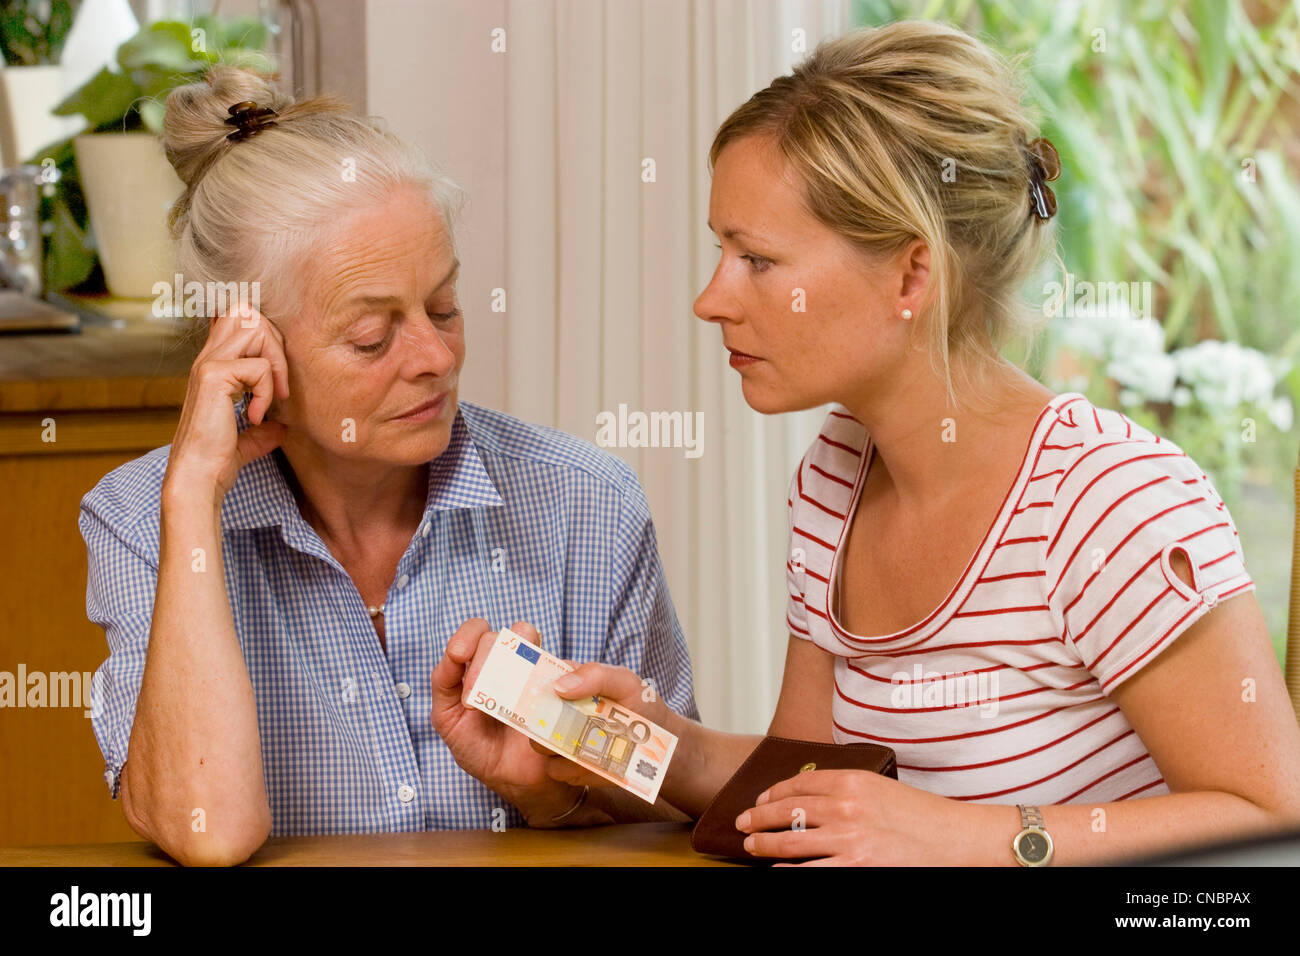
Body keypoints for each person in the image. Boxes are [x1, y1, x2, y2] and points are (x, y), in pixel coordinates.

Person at [459, 20, 1300, 864]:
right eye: (722, 250)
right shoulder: (837, 473)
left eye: (756, 259)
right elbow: (805, 782)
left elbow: (1272, 812)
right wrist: (650, 741)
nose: (710, 299)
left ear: (911, 274)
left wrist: (972, 835)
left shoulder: (1110, 501)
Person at [78, 65, 698, 867]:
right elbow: (209, 831)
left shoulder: (587, 504)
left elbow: (674, 818)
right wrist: (194, 496)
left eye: (444, 307)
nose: (436, 356)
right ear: (246, 351)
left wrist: (546, 791)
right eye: (372, 338)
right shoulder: (139, 520)